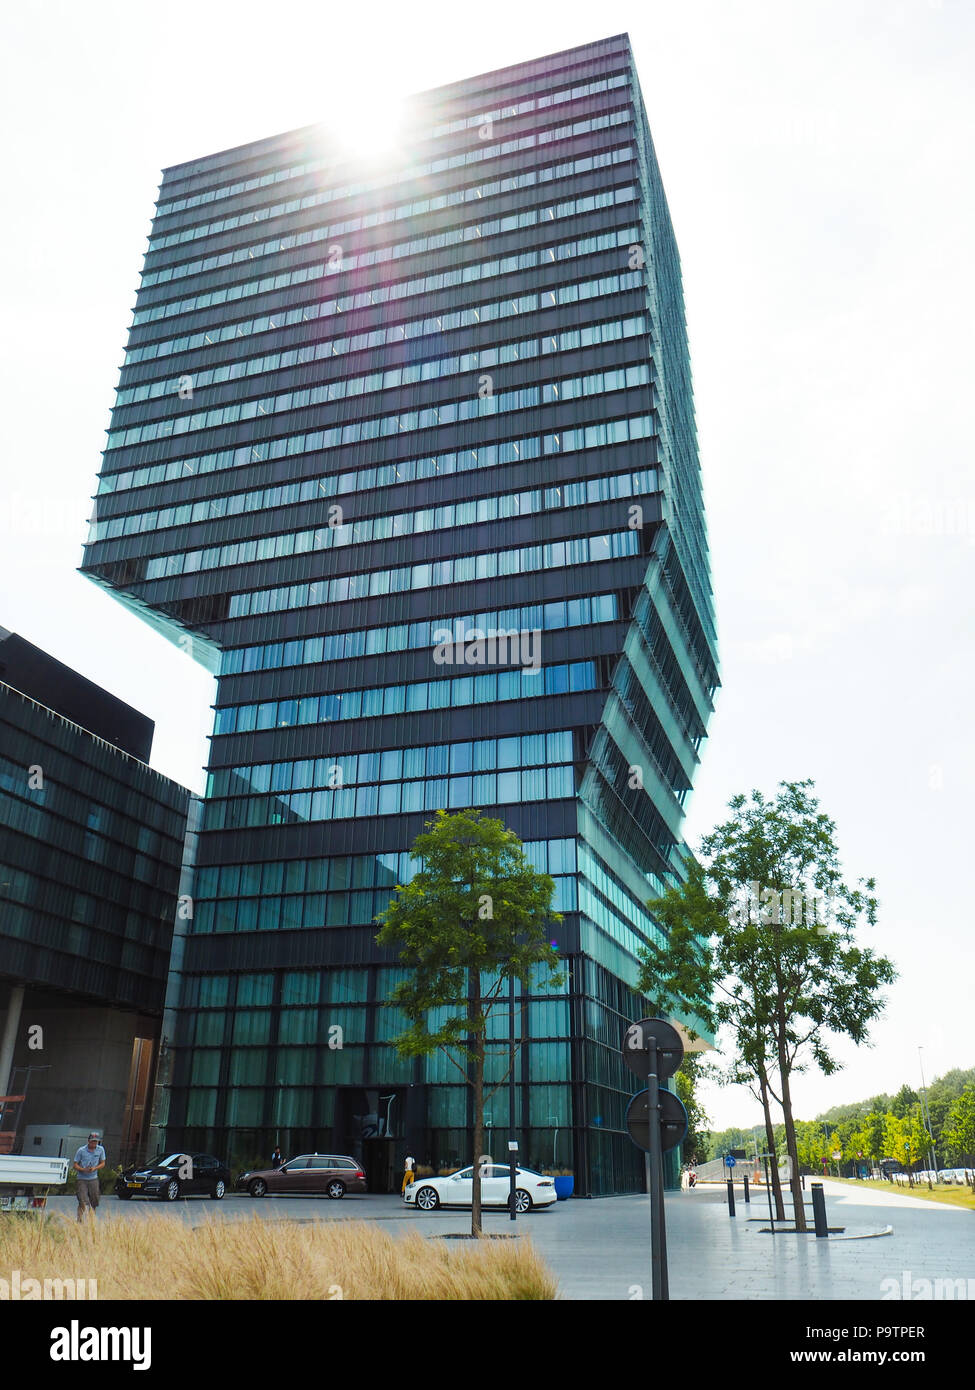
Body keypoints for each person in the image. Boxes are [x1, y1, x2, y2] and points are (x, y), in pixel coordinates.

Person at [73, 1133, 106, 1222]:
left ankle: (91, 1219)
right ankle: (79, 1219)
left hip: (93, 1178)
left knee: (94, 1200)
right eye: (92, 1141)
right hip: (82, 1179)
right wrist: (83, 1169)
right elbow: (75, 1164)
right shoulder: (81, 1150)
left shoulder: (100, 1150)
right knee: (82, 1200)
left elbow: (103, 1163)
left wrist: (95, 1168)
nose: (94, 1143)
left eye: (96, 1142)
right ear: (88, 1141)